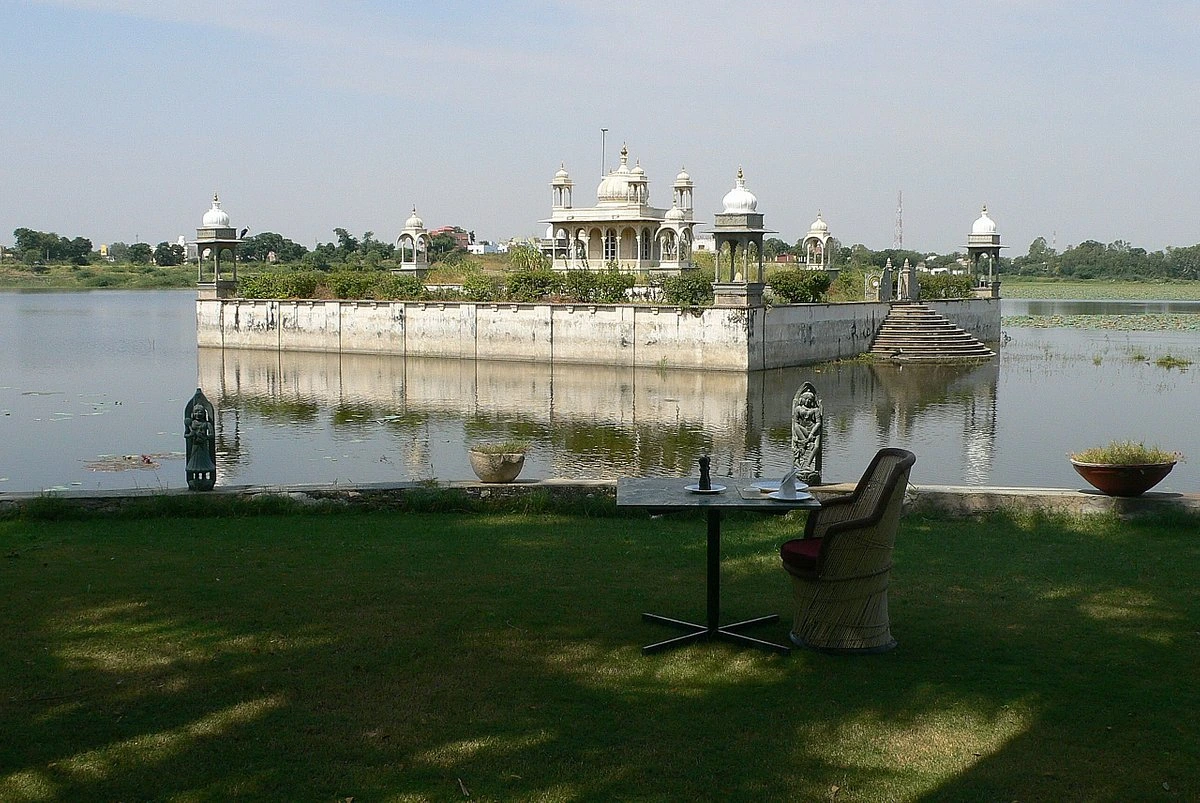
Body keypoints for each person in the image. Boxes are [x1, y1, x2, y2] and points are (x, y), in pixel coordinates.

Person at [791, 382, 822, 484]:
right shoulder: (798, 409)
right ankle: (801, 453)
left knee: (816, 446)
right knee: (797, 427)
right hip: (803, 429)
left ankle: (808, 465)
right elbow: (795, 423)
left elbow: (818, 423)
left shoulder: (816, 410)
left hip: (813, 430)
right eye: (806, 399)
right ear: (802, 399)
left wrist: (811, 434)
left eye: (810, 400)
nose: (808, 401)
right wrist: (798, 436)